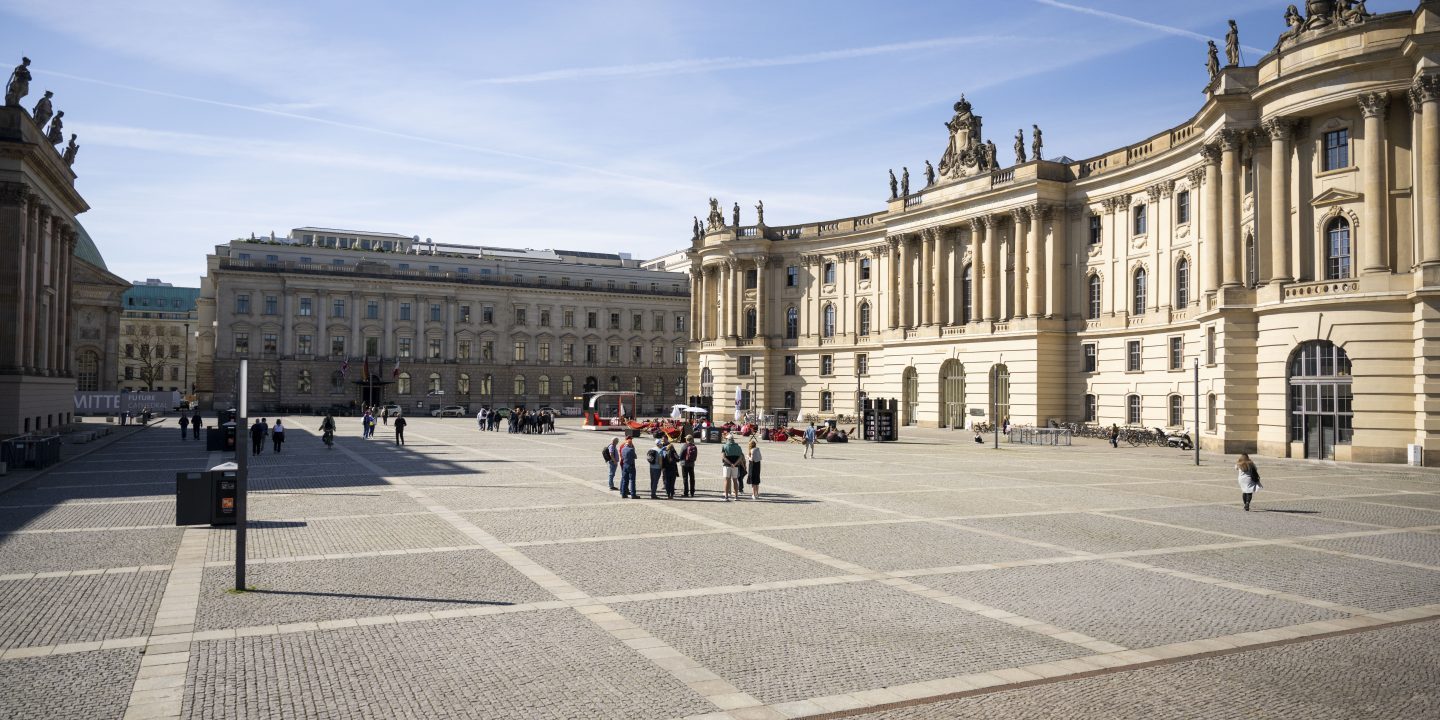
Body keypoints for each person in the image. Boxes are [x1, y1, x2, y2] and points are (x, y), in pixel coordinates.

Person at [721, 434, 745, 501]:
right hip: (735, 466)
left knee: (726, 480)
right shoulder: (738, 447)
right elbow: (741, 457)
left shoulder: (724, 446)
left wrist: (730, 463)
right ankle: (736, 496)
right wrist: (735, 464)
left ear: (728, 439)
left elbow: (723, 457)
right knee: (735, 481)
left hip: (727, 466)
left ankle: (726, 496)